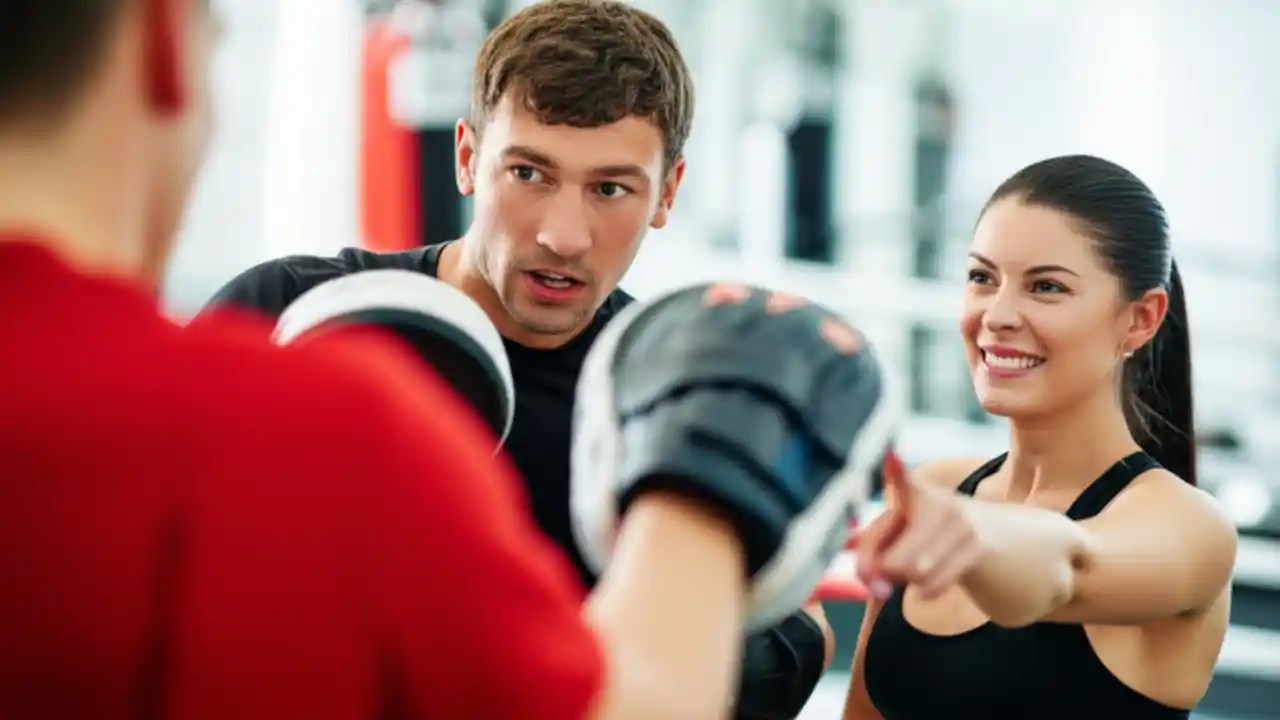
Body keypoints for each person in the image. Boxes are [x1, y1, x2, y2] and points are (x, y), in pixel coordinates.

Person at [0, 1, 880, 718]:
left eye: (610, 188)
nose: (561, 235)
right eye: (527, 173)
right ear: (467, 156)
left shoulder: (669, 390)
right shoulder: (298, 331)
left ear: (667, 195)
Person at [840, 155, 1238, 719]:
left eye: (1046, 287)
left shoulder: (1189, 527)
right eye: (982, 278)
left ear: (1141, 319)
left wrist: (970, 536)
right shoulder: (940, 489)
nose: (997, 314)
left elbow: (1068, 568)